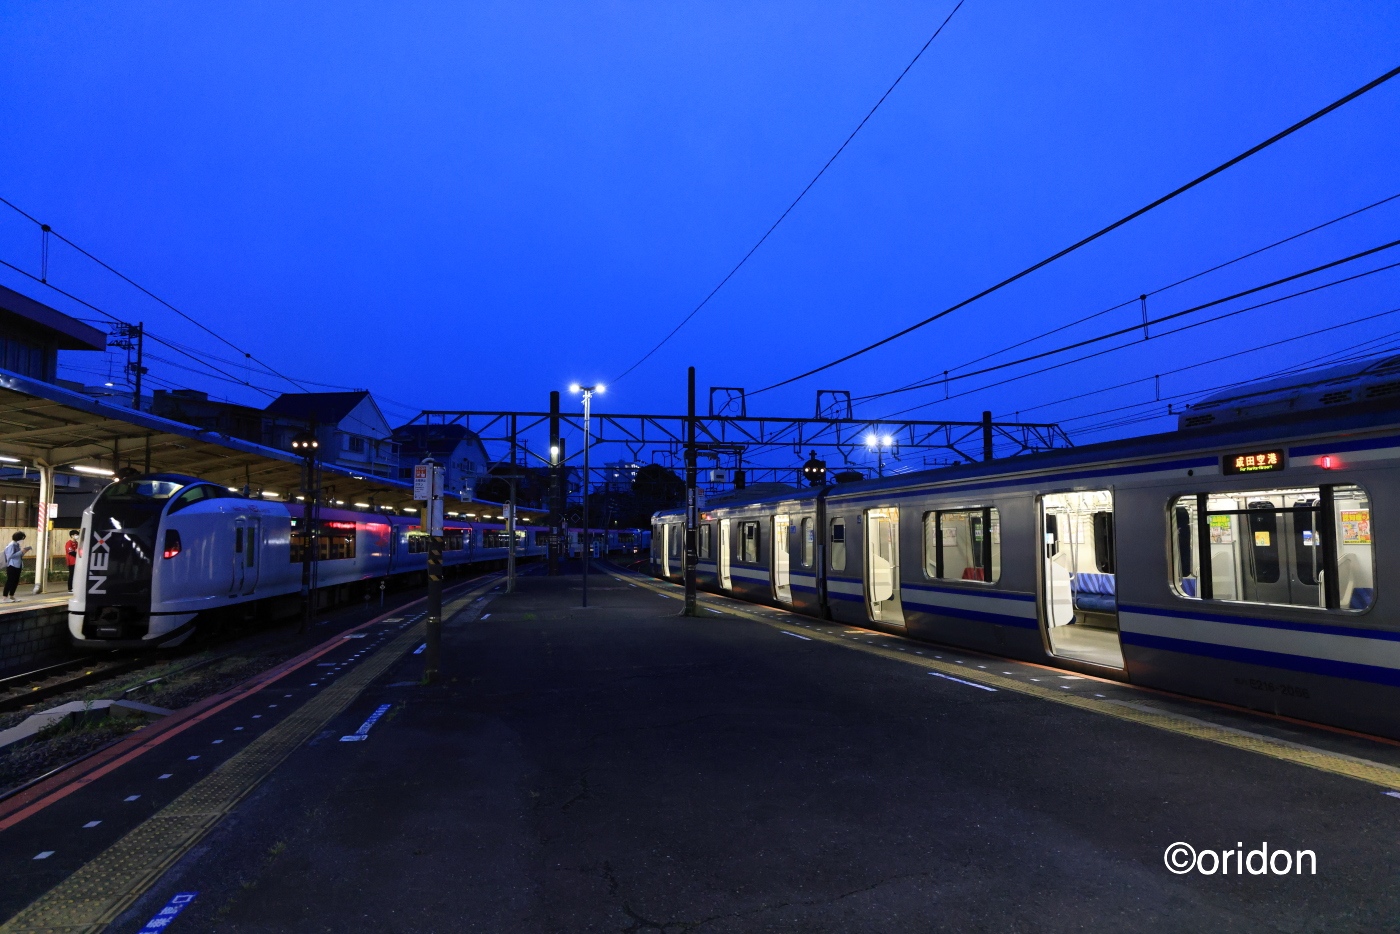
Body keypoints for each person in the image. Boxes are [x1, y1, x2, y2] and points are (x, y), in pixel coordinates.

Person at [3, 532, 33, 602]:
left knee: (15, 581)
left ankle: (11, 595)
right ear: (18, 538)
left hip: (17, 565)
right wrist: (22, 551)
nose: (22, 540)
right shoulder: (12, 545)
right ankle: (5, 597)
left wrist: (24, 551)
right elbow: (10, 556)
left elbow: (19, 555)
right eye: (22, 538)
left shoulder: (17, 545)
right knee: (10, 581)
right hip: (12, 565)